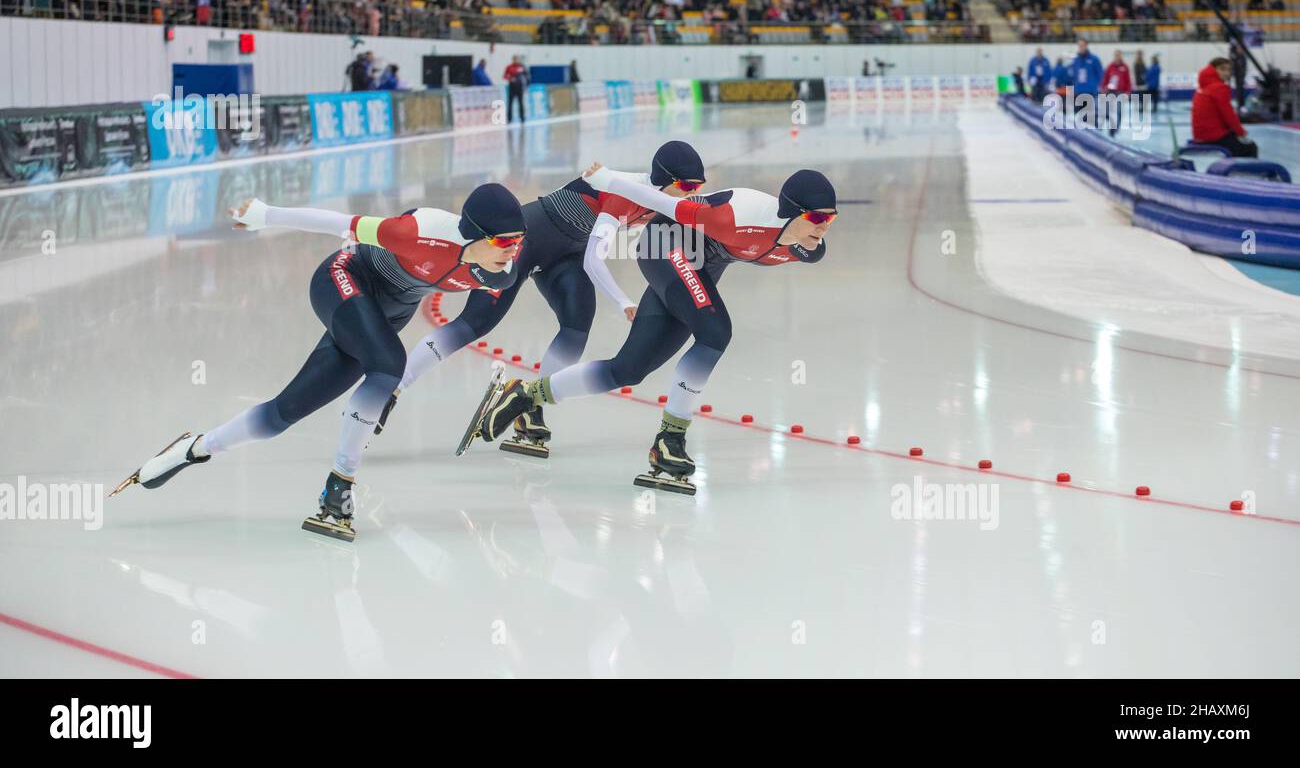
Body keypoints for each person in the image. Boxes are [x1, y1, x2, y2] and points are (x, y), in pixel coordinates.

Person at [109, 184, 528, 541]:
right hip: (345, 278)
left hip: (383, 315)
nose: (512, 252)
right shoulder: (417, 233)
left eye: (519, 242)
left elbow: (471, 321)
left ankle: (191, 449)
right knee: (388, 363)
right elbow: (338, 223)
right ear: (476, 233)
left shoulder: (500, 272)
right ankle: (338, 488)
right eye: (504, 242)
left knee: (280, 416)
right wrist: (265, 214)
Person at [468, 165, 836, 492]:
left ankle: (527, 394)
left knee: (628, 369)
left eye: (832, 219)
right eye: (819, 219)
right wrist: (609, 180)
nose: (825, 228)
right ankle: (670, 441)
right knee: (715, 332)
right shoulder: (736, 218)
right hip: (667, 243)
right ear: (794, 212)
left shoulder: (806, 248)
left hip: (699, 264)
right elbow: (667, 206)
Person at [383, 142, 708, 457]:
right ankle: (394, 388)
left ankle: (527, 405)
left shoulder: (667, 200)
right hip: (523, 242)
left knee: (578, 321)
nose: (693, 192)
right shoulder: (626, 197)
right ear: (664, 180)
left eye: (698, 186)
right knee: (475, 323)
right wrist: (623, 301)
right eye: (686, 185)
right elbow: (596, 259)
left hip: (566, 254)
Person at [1192, 57, 1258, 158]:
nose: (1227, 73)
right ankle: (1244, 172)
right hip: (1213, 137)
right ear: (1213, 70)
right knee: (1250, 147)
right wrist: (1241, 132)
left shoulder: (1202, 87)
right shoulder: (1219, 87)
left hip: (1199, 136)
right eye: (1222, 69)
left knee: (1234, 139)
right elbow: (1228, 115)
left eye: (1229, 69)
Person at [1101, 50, 1133, 136]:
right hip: (1110, 92)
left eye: (1118, 55)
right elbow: (1105, 79)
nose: (1117, 57)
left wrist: (1128, 92)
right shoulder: (1110, 66)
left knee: (1118, 111)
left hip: (1120, 92)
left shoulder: (1125, 67)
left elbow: (1128, 81)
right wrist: (1103, 88)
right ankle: (1110, 126)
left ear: (1121, 56)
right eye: (1116, 55)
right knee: (1108, 110)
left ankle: (1114, 129)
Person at [1070, 39, 1103, 113]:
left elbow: (1100, 74)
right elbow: (1074, 75)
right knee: (1078, 116)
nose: (1081, 47)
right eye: (1079, 46)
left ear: (1086, 46)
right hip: (1078, 91)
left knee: (1089, 116)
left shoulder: (1094, 59)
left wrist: (1096, 86)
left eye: (1082, 45)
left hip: (1090, 92)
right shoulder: (1076, 60)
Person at [504, 55, 528, 122]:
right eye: (514, 59)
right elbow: (505, 76)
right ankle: (509, 118)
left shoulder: (521, 67)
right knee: (510, 103)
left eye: (517, 59)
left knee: (520, 103)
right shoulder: (509, 67)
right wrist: (510, 79)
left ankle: (522, 117)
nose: (516, 60)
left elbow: (526, 75)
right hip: (512, 87)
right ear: (513, 60)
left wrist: (526, 86)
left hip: (519, 87)